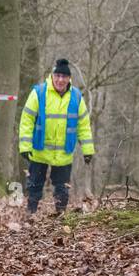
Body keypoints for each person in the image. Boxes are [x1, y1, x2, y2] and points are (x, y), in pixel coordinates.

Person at [18, 58, 95, 216]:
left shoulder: (76, 97)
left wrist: (88, 150)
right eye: (58, 76)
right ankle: (30, 213)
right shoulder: (39, 93)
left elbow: (84, 125)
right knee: (34, 185)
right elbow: (26, 120)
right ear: (52, 76)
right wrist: (24, 146)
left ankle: (60, 216)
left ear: (69, 78)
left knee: (62, 188)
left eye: (64, 77)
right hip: (39, 150)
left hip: (64, 153)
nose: (60, 80)